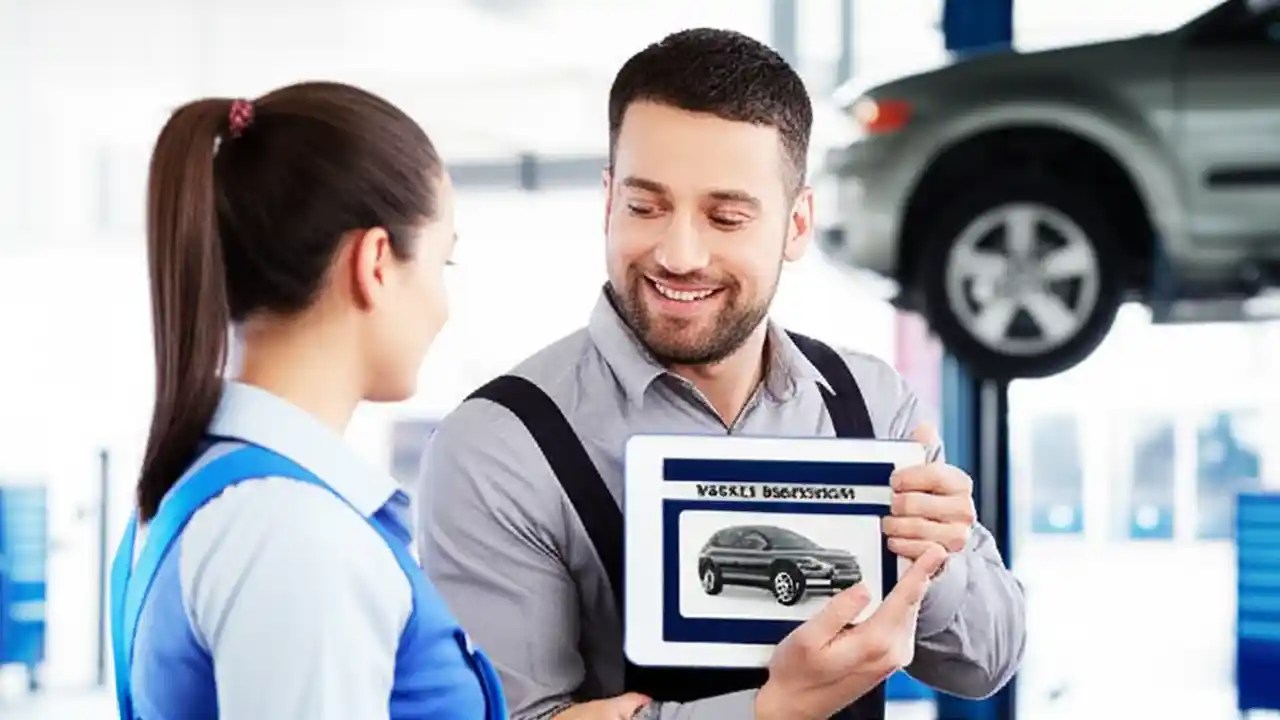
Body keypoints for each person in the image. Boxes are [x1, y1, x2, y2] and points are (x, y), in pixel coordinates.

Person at [417, 27, 1027, 720]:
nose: (679, 253)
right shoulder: (499, 448)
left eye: (726, 217)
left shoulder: (870, 405)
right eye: (645, 207)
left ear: (797, 225)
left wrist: (936, 561)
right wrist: (770, 712)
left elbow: (988, 661)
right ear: (607, 199)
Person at [108, 81, 507, 720]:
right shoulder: (293, 530)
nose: (443, 305)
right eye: (443, 264)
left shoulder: (204, 487)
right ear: (376, 262)